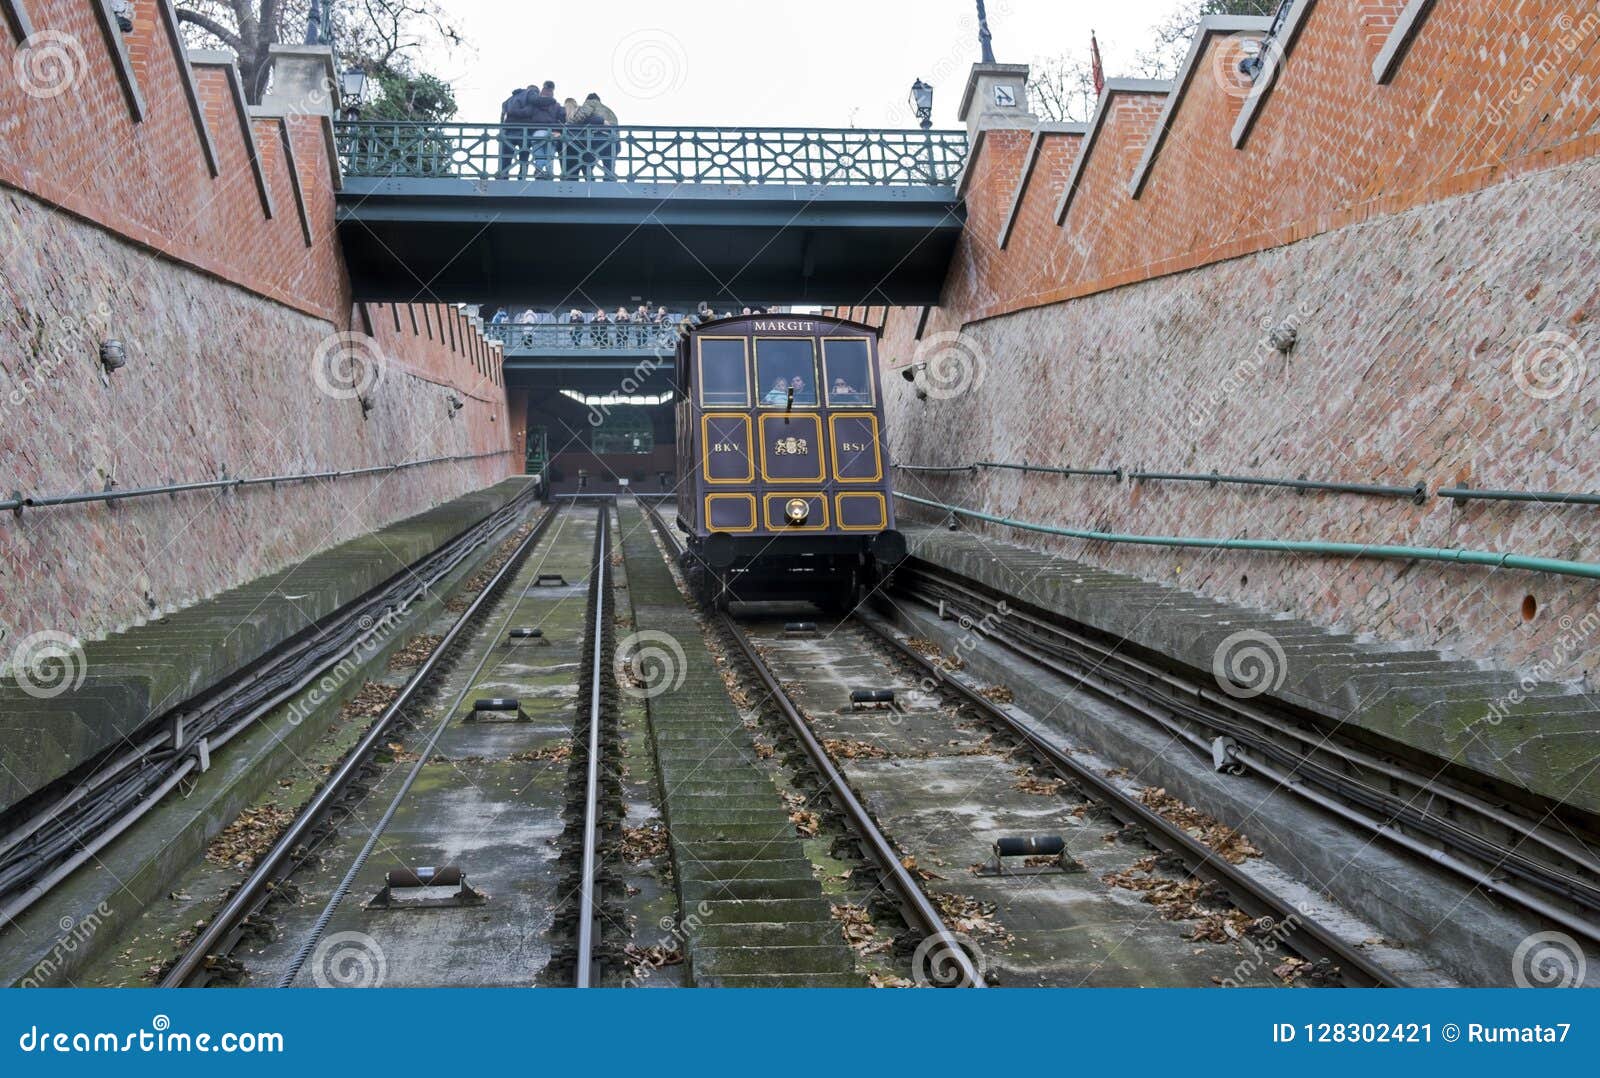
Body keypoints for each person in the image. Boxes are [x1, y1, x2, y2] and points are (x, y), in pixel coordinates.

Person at [571, 92, 620, 180]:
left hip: (598, 138)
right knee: (608, 167)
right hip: (613, 142)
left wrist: (571, 124)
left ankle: (591, 182)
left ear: (588, 100)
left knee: (585, 161)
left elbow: (581, 116)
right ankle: (609, 185)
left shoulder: (590, 103)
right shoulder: (610, 111)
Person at [497, 85, 539, 179]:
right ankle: (521, 177)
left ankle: (503, 177)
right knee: (524, 156)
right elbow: (528, 112)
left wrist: (502, 129)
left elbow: (502, 117)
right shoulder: (530, 93)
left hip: (508, 130)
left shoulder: (509, 99)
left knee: (506, 156)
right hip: (523, 130)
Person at [529, 82, 566, 178]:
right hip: (552, 133)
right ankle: (549, 174)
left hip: (537, 133)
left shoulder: (535, 105)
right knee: (550, 157)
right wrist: (558, 131)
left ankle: (539, 169)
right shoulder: (557, 105)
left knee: (539, 155)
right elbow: (562, 118)